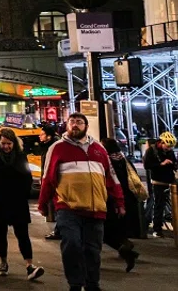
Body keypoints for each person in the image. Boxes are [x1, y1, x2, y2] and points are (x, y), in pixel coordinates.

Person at [38, 113, 124, 291]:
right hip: (68, 208)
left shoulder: (99, 149)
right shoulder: (57, 148)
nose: (75, 125)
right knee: (72, 245)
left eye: (79, 122)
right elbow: (48, 178)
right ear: (66, 126)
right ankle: (76, 284)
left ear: (85, 125)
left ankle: (92, 283)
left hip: (96, 209)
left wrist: (119, 202)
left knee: (93, 251)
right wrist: (43, 203)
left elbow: (111, 178)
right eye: (72, 122)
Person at [0, 128, 45, 280]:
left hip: (17, 200)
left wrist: (24, 193)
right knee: (0, 233)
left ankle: (29, 266)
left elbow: (27, 177)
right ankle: (3, 262)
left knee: (22, 234)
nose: (6, 146)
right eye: (3, 143)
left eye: (9, 143)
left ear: (14, 143)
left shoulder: (20, 156)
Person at [99, 138, 140, 272]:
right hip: (126, 197)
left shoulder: (107, 161)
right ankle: (125, 246)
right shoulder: (123, 158)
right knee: (115, 228)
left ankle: (124, 248)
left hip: (112, 198)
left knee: (103, 230)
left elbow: (110, 181)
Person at [142, 132, 176, 238]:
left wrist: (173, 164)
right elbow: (147, 165)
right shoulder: (151, 151)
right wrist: (161, 164)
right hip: (158, 182)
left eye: (171, 147)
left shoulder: (169, 151)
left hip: (170, 180)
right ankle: (157, 229)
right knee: (158, 205)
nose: (169, 149)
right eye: (168, 146)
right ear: (161, 142)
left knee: (170, 205)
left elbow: (175, 162)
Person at [37, 124, 61, 240]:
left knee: (58, 207)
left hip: (55, 182)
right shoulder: (47, 146)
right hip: (50, 180)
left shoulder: (53, 148)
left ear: (49, 137)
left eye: (42, 134)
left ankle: (58, 231)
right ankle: (58, 230)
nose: (39, 136)